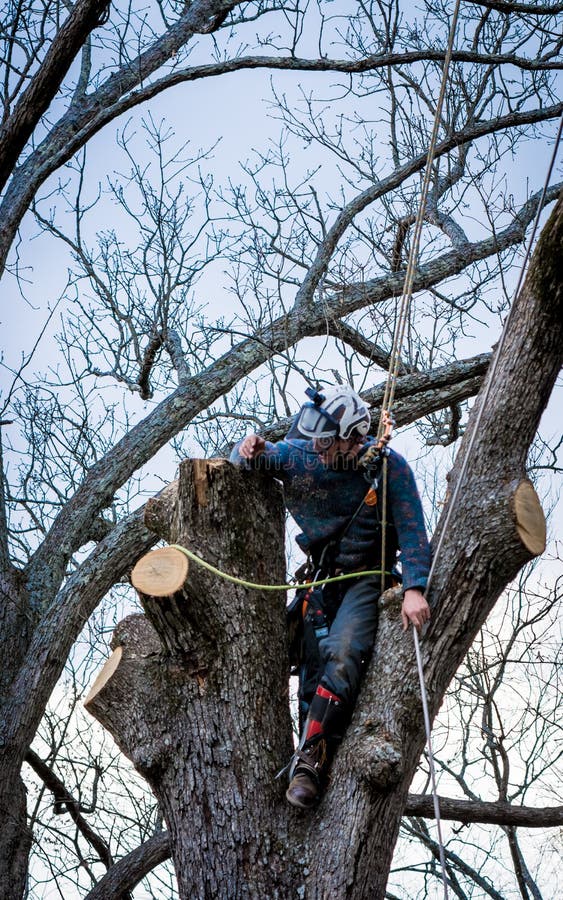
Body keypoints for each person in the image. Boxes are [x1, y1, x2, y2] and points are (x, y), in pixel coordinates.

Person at [230, 384, 431, 810]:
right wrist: (245, 448)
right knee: (312, 670)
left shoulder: (387, 469)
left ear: (354, 436)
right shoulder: (300, 455)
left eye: (327, 441)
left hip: (366, 578)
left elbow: (414, 531)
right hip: (320, 580)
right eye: (314, 439)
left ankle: (309, 760)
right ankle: (309, 767)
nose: (318, 448)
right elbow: (250, 459)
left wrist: (414, 587)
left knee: (343, 653)